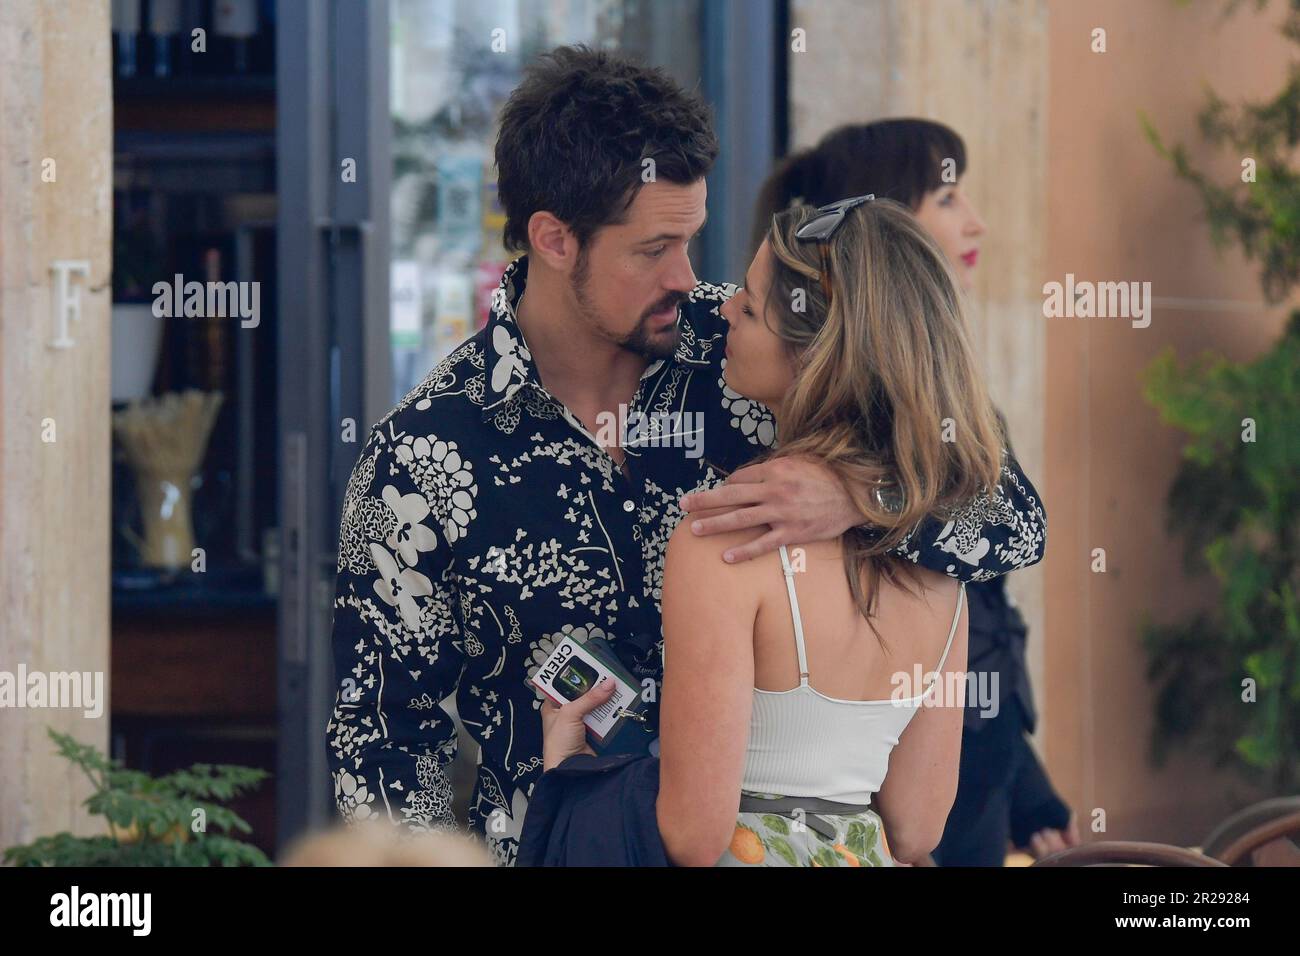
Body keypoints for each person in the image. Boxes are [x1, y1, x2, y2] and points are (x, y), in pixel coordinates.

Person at [327, 48, 1047, 867]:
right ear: (554, 239)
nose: (688, 277)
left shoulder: (762, 347)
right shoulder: (421, 456)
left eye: (692, 239)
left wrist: (862, 496)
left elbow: (1015, 519)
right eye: (653, 248)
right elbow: (381, 737)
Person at [752, 118, 1076, 864]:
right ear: (882, 228)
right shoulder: (766, 393)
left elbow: (1013, 541)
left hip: (967, 785)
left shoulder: (945, 404)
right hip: (866, 813)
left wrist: (863, 498)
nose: (977, 223)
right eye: (948, 198)